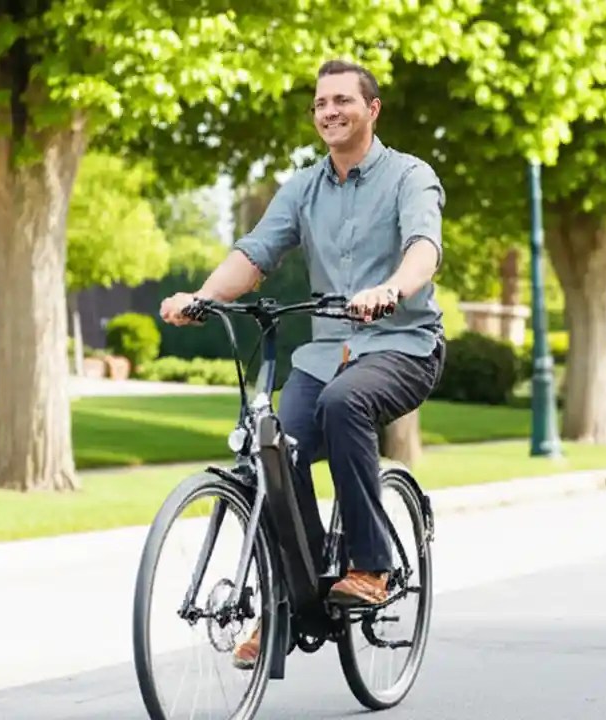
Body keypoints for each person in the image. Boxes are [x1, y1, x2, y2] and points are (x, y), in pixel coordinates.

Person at [159, 59, 447, 668]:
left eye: (342, 100)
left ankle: (372, 565)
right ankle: (294, 599)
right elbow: (256, 252)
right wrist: (204, 297)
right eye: (320, 104)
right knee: (272, 451)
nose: (329, 112)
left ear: (372, 109)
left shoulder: (409, 177)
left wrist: (391, 289)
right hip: (324, 351)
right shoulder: (304, 187)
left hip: (402, 343)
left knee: (345, 404)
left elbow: (424, 247)